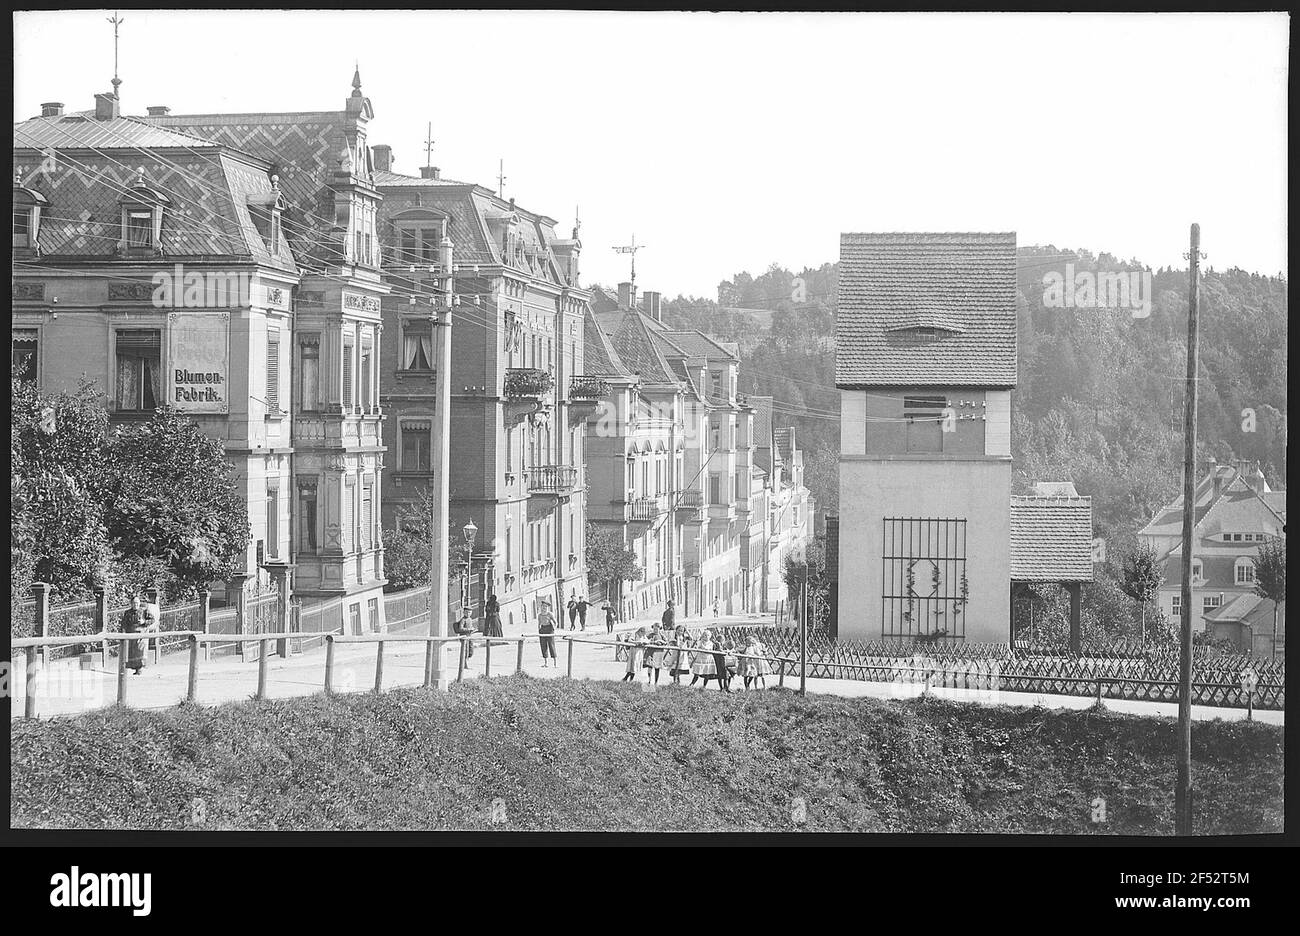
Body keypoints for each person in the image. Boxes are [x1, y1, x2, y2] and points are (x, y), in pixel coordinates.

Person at [119, 594, 154, 675]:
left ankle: (140, 668)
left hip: (141, 635)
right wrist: (123, 633)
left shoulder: (144, 611)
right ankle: (134, 668)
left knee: (140, 651)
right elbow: (124, 624)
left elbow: (152, 620)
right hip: (131, 635)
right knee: (131, 653)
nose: (136, 605)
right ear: (131, 604)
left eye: (137, 603)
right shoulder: (127, 613)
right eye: (134, 603)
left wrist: (144, 622)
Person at [537, 602, 558, 668]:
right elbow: (539, 623)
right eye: (543, 606)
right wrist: (539, 630)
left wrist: (554, 628)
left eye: (546, 606)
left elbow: (555, 622)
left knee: (551, 645)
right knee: (543, 646)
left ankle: (555, 663)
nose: (544, 608)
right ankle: (546, 663)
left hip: (549, 629)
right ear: (541, 607)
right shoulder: (539, 615)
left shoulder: (550, 614)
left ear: (547, 607)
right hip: (542, 630)